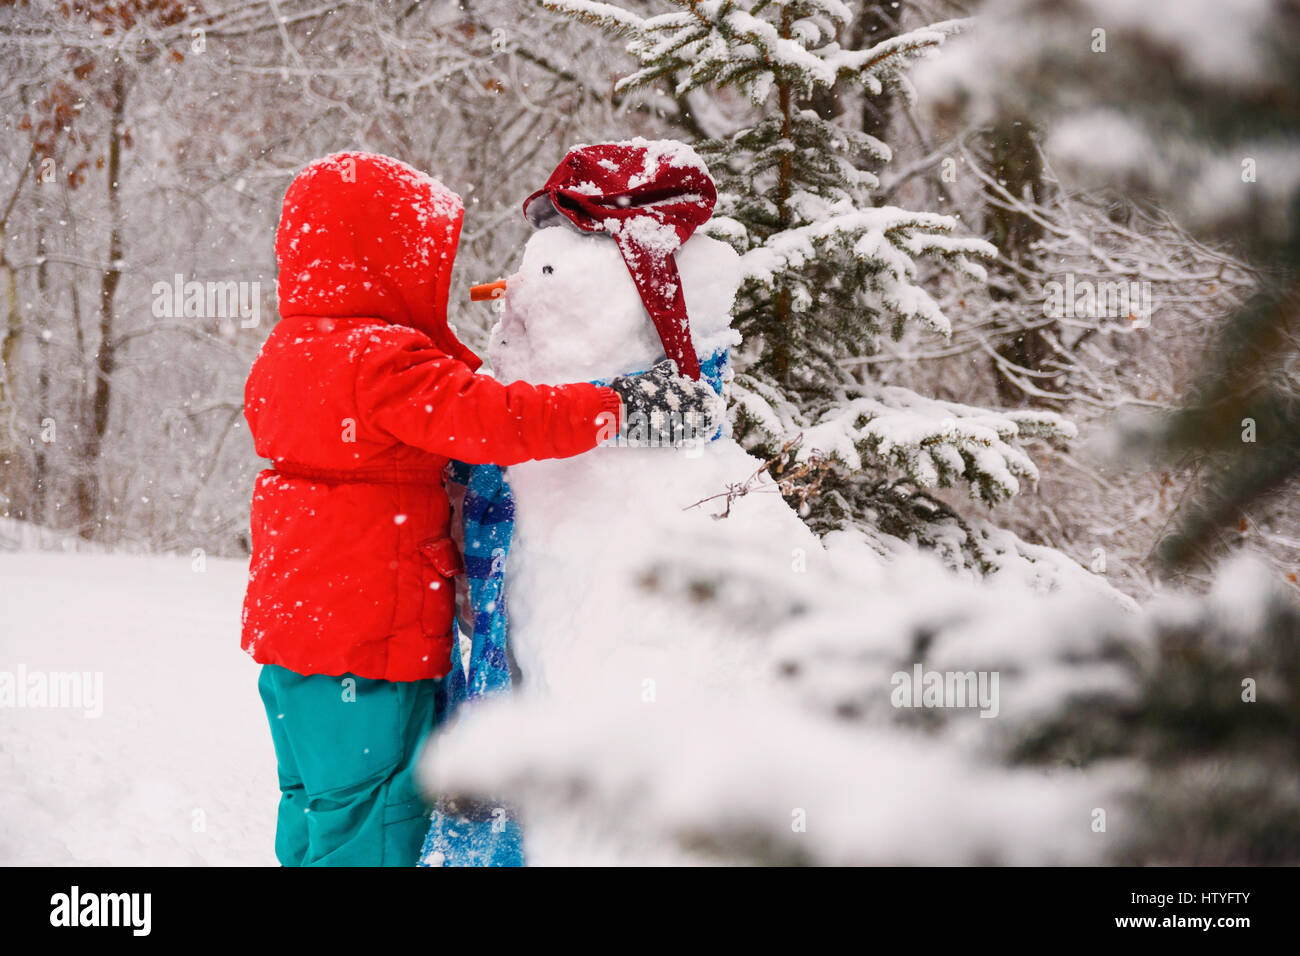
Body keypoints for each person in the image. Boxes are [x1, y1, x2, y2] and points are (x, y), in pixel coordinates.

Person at [242, 151, 720, 866]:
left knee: (317, 809)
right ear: (383, 261)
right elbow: (495, 421)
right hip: (366, 655)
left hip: (294, 651)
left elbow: (435, 397)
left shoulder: (292, 350)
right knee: (375, 830)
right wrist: (619, 405)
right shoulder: (379, 360)